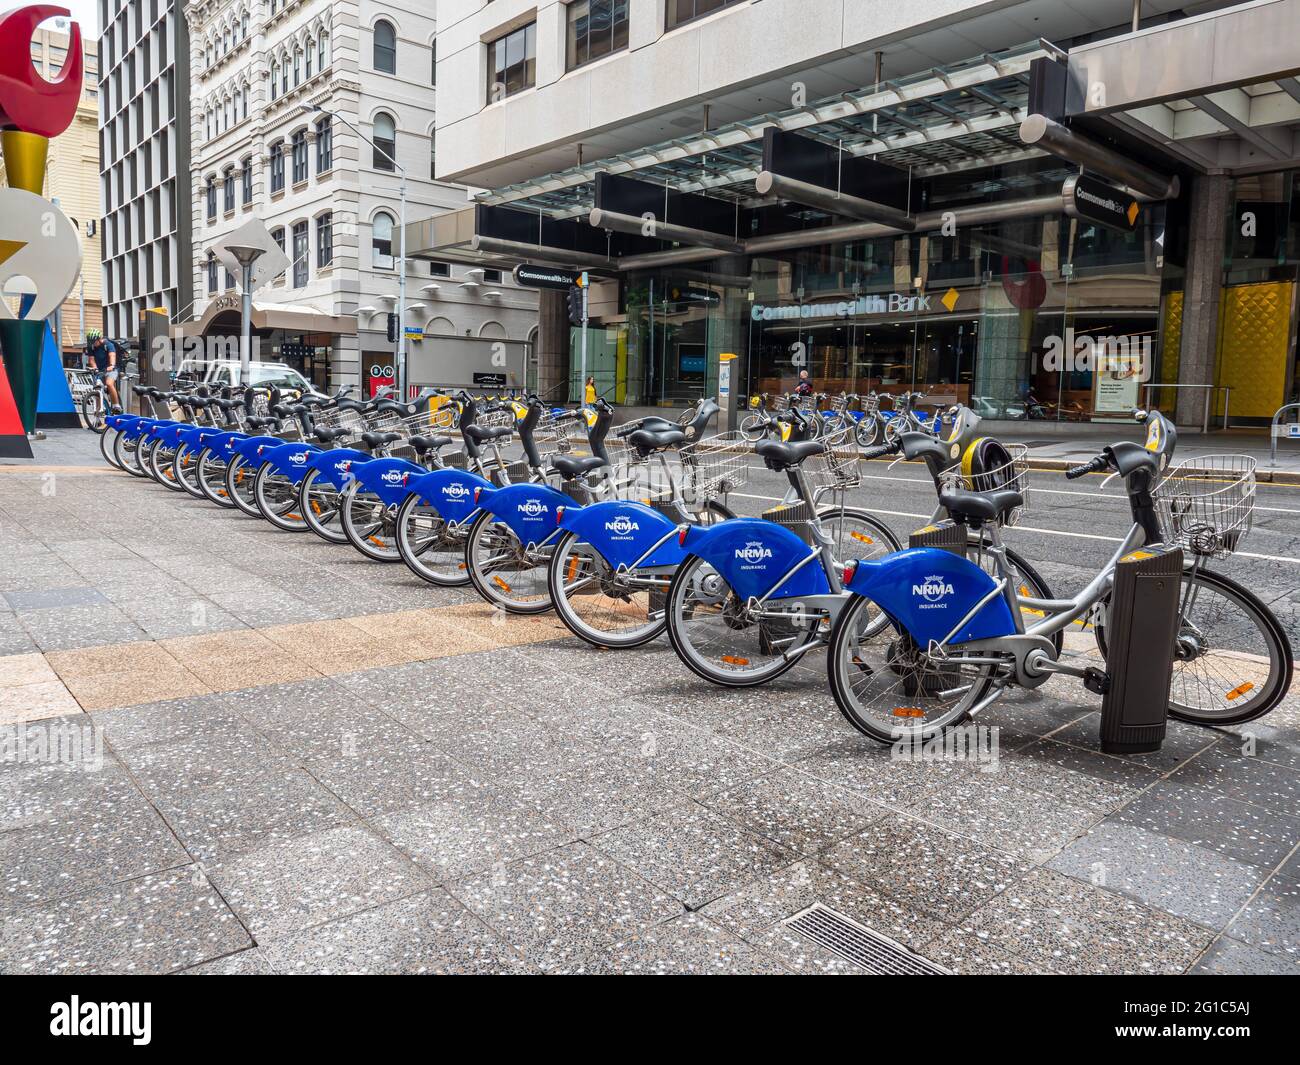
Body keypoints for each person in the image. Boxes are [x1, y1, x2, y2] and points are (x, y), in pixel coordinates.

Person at [85, 331, 119, 408]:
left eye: (94, 342)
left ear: (99, 339)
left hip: (110, 369)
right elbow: (91, 359)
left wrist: (112, 365)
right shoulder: (91, 347)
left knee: (109, 383)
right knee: (97, 389)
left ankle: (116, 406)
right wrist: (95, 368)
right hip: (99, 371)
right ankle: (98, 412)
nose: (92, 344)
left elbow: (112, 355)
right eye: (91, 342)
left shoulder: (108, 345)